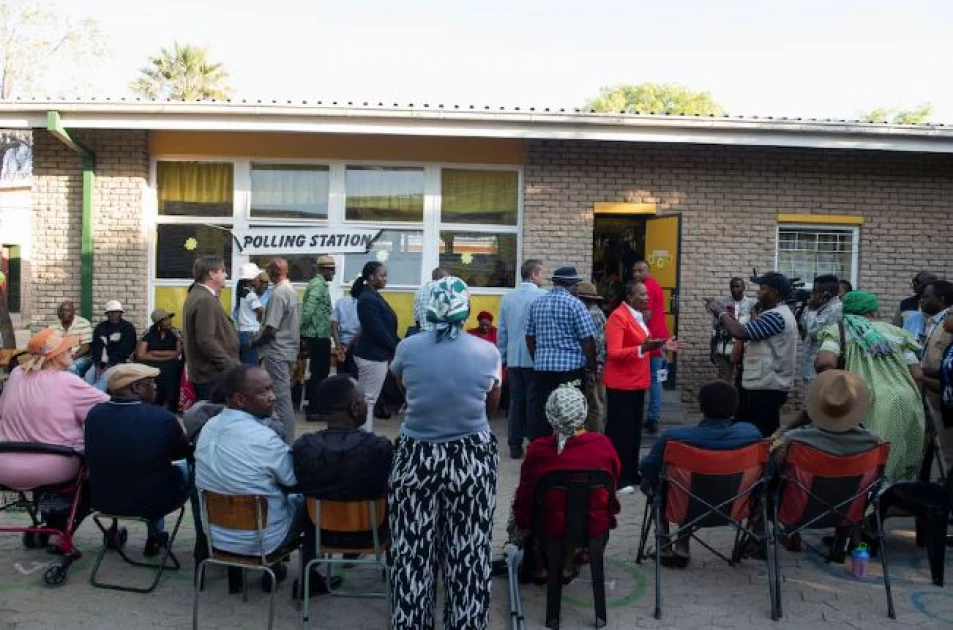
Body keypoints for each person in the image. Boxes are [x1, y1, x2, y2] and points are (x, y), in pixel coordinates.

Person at [388, 275, 502, 630]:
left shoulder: (408, 348)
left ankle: (411, 622)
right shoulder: (487, 352)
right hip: (471, 458)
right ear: (466, 310)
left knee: (412, 550)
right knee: (469, 550)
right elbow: (492, 405)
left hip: (416, 457)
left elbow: (403, 388)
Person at [195, 365, 331, 594]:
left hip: (216, 537)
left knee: (258, 494)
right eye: (263, 392)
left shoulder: (208, 427)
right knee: (311, 504)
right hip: (262, 541)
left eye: (271, 388)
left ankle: (260, 571)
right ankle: (310, 581)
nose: (273, 397)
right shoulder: (263, 438)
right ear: (240, 400)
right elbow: (293, 481)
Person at [0, 328, 109, 552]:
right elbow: (110, 409)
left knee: (43, 467)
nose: (72, 351)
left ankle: (48, 523)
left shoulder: (17, 375)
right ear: (53, 355)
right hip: (55, 465)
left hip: (5, 465)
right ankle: (59, 533)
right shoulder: (67, 381)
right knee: (91, 478)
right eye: (66, 348)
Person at [639, 381, 761, 566]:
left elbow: (648, 469)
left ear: (701, 407)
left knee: (658, 483)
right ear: (735, 409)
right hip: (734, 508)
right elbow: (766, 473)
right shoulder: (751, 435)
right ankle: (682, 542)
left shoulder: (675, 438)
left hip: (683, 505)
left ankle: (664, 541)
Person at [511, 383, 621, 584]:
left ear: (550, 415)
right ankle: (568, 562)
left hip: (548, 526)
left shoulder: (538, 449)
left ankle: (539, 566)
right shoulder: (603, 445)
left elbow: (525, 497)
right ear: (583, 414)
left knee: (523, 502)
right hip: (592, 524)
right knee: (577, 506)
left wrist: (522, 524)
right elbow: (613, 483)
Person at [814, 290, 925, 481]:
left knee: (869, 452)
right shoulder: (898, 333)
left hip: (866, 398)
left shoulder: (838, 330)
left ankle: (869, 492)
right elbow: (917, 374)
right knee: (897, 447)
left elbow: (826, 362)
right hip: (905, 397)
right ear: (873, 311)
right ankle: (893, 489)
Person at [84, 364, 191, 557]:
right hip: (151, 501)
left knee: (121, 464)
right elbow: (181, 454)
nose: (156, 387)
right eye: (151, 383)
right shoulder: (162, 418)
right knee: (185, 467)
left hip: (102, 500)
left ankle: (116, 527)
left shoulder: (94, 414)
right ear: (136, 387)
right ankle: (155, 533)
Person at [706, 272, 798, 437]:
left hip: (766, 388)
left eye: (762, 288)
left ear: (774, 293)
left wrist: (720, 311)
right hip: (760, 385)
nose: (758, 292)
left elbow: (740, 332)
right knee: (746, 430)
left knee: (761, 434)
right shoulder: (773, 314)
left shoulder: (777, 316)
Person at [604, 281, 675, 493]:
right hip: (621, 385)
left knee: (634, 433)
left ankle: (631, 472)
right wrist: (642, 348)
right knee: (620, 433)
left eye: (647, 294)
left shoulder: (637, 316)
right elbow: (614, 352)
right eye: (642, 294)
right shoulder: (618, 317)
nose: (647, 297)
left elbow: (643, 346)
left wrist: (661, 345)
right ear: (629, 297)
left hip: (637, 382)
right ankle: (617, 479)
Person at [292, 375, 393, 502]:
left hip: (317, 515)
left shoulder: (304, 447)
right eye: (364, 400)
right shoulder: (378, 448)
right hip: (368, 515)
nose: (367, 405)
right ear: (355, 408)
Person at [526, 265, 597, 441]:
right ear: (570, 284)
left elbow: (529, 336)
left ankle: (542, 447)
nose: (577, 288)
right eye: (576, 285)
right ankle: (569, 448)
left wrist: (538, 358)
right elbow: (588, 340)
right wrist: (591, 368)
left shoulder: (537, 304)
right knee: (571, 412)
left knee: (543, 410)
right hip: (571, 370)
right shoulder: (576, 304)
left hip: (543, 369)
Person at [498, 259, 547, 459]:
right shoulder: (542, 296)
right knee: (534, 402)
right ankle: (534, 442)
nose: (543, 277)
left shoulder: (508, 298)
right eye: (542, 273)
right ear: (534, 274)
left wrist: (502, 356)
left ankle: (514, 444)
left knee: (516, 401)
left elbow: (502, 331)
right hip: (534, 357)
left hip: (513, 358)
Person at [254, 257, 301, 444]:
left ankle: (286, 442)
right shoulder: (291, 291)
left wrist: (255, 342)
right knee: (281, 397)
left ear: (272, 272)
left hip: (277, 352)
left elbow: (271, 329)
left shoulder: (279, 293)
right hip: (287, 351)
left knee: (280, 399)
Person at [183, 256, 240, 401]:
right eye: (222, 271)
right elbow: (206, 340)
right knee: (214, 412)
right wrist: (230, 365)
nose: (226, 275)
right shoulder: (204, 299)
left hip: (210, 373)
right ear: (211, 274)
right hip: (211, 374)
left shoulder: (202, 295)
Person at [352, 261, 399, 433]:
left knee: (368, 399)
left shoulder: (373, 295)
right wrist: (396, 347)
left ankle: (363, 435)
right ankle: (363, 436)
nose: (385, 279)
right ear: (371, 277)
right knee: (368, 399)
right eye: (382, 275)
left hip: (377, 353)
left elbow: (385, 328)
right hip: (372, 355)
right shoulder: (367, 299)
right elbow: (377, 329)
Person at [917, 280, 953, 468]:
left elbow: (947, 367)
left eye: (926, 297)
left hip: (944, 397)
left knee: (949, 452)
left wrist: (920, 374)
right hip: (931, 394)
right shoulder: (934, 320)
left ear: (941, 300)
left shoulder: (949, 321)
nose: (921, 300)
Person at [633, 260, 671, 436]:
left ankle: (652, 418)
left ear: (648, 271)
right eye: (635, 271)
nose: (636, 274)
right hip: (658, 340)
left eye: (640, 271)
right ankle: (652, 417)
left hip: (651, 341)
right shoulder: (655, 285)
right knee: (656, 379)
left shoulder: (646, 288)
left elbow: (646, 315)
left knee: (652, 379)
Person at [301, 255, 336, 421]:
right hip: (317, 335)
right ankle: (314, 409)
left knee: (319, 373)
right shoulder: (318, 285)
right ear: (325, 270)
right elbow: (308, 309)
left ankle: (315, 407)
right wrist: (302, 331)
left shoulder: (319, 284)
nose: (334, 273)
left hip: (319, 334)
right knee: (319, 374)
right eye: (332, 270)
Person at [135, 309, 183, 412]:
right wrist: (167, 355)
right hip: (152, 365)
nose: (169, 321)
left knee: (171, 369)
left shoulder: (176, 333)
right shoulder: (148, 333)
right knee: (156, 371)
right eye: (165, 320)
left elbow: (177, 353)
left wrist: (153, 352)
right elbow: (140, 355)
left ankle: (168, 406)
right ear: (158, 323)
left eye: (169, 318)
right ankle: (153, 405)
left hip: (170, 366)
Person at [710, 278, 757, 381]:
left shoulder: (752, 303)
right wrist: (712, 348)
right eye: (732, 287)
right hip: (724, 347)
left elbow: (754, 325)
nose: (735, 289)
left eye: (738, 286)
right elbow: (715, 327)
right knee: (724, 379)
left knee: (742, 379)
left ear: (743, 288)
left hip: (744, 348)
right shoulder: (722, 303)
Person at [799, 275, 843, 386]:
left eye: (815, 291)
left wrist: (811, 310)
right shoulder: (822, 308)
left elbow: (813, 332)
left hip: (821, 368)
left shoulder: (836, 308)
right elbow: (804, 329)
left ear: (826, 293)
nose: (812, 295)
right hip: (810, 367)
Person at [576, 281, 608, 433]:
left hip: (595, 366)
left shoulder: (592, 314)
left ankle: (595, 437)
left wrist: (594, 368)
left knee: (594, 404)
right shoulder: (597, 312)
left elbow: (597, 344)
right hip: (596, 365)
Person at [90, 300, 137, 389]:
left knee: (101, 382)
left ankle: (97, 397)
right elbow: (96, 348)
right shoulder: (100, 327)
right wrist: (97, 365)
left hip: (118, 362)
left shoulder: (127, 328)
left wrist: (108, 366)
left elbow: (125, 350)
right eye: (111, 312)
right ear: (107, 314)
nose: (114, 314)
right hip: (100, 362)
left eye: (116, 312)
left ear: (121, 313)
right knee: (88, 378)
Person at [235, 263, 267, 365]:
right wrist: (260, 318)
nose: (259, 280)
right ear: (251, 279)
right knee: (251, 367)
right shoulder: (250, 295)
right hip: (250, 334)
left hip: (243, 333)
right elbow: (261, 310)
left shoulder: (242, 292)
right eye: (258, 277)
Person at [52, 300, 93, 378]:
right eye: (62, 311)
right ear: (58, 313)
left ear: (73, 312)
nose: (65, 313)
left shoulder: (83, 323)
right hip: (60, 358)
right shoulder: (53, 326)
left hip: (81, 357)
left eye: (67, 310)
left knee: (70, 369)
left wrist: (71, 358)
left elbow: (86, 346)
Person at [331, 276, 363, 378]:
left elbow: (334, 326)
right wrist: (348, 347)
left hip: (341, 345)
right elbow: (362, 330)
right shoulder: (364, 304)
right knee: (354, 379)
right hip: (356, 346)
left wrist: (338, 346)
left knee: (341, 378)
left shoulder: (341, 302)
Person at [894, 270, 937, 335]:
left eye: (919, 282)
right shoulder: (905, 304)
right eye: (914, 281)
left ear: (930, 285)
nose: (914, 284)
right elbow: (895, 328)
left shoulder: (937, 305)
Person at [413, 267, 449, 332]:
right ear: (443, 278)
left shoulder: (419, 292)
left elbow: (417, 319)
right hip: (442, 334)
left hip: (424, 334)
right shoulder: (446, 290)